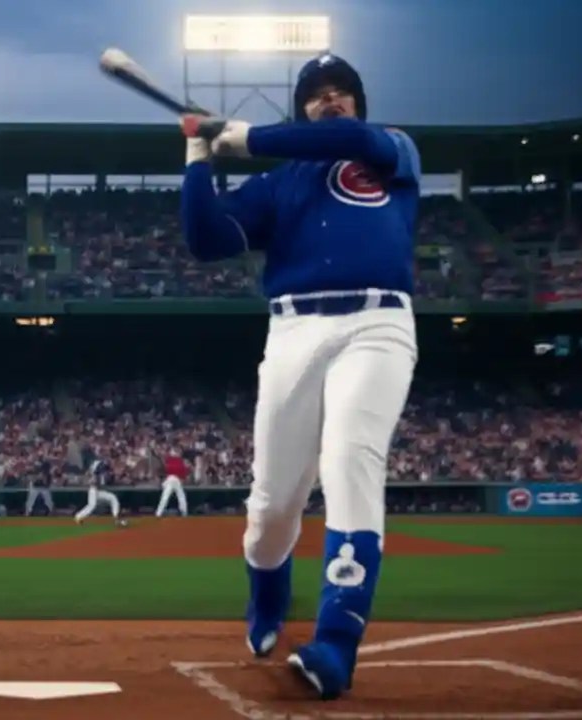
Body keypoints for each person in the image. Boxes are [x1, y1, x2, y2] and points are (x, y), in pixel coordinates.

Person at [178, 53, 421, 700]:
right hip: (291, 332)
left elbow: (348, 139)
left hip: (377, 325)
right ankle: (268, 594)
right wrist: (198, 159)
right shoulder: (278, 184)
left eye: (343, 92)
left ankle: (336, 643)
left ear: (359, 105)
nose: (332, 100)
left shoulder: (389, 152)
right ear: (301, 108)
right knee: (272, 507)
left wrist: (243, 136)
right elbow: (206, 238)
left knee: (349, 462)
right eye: (318, 94)